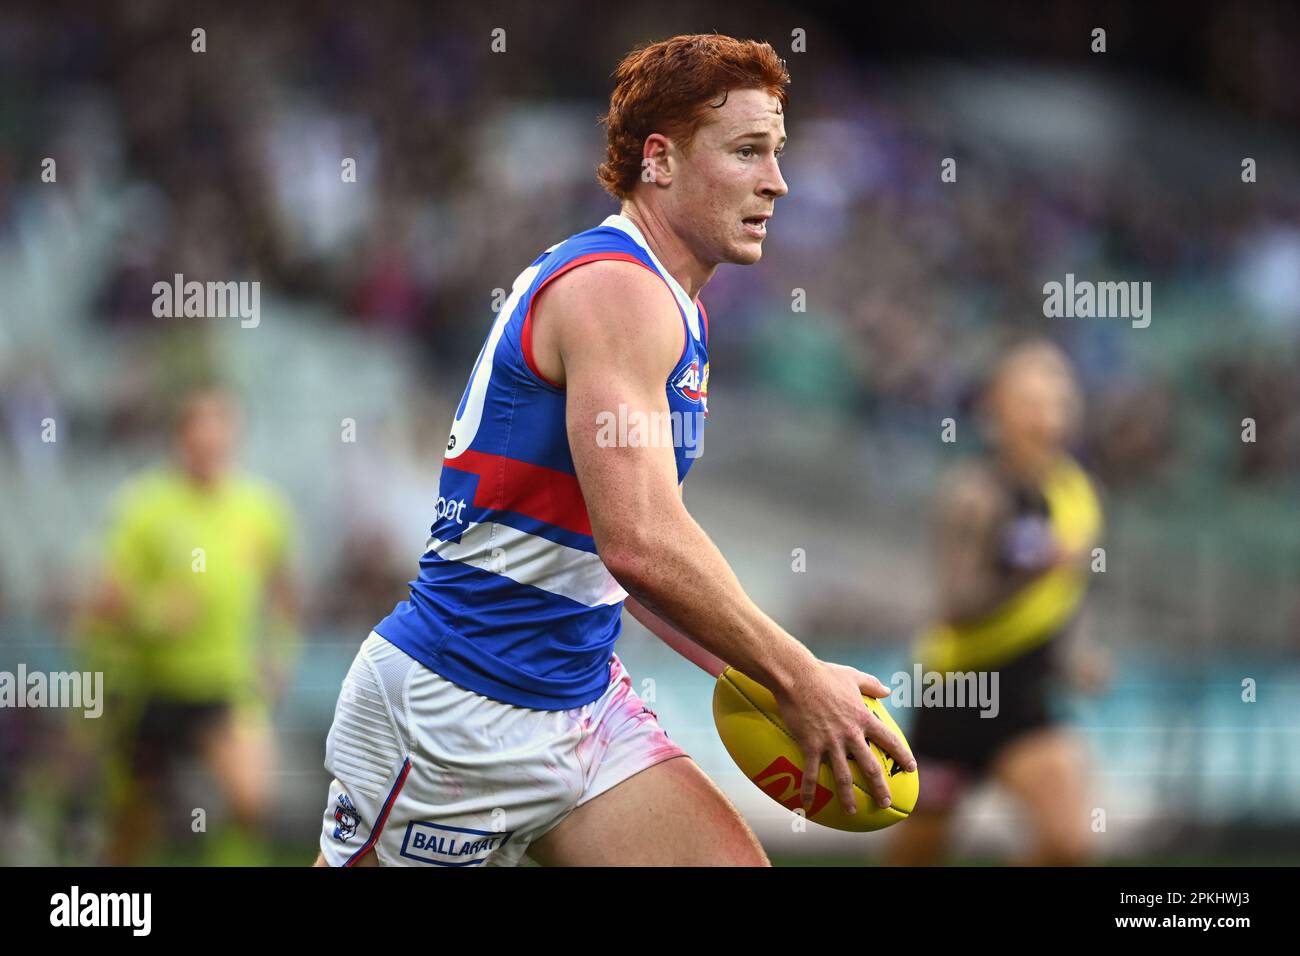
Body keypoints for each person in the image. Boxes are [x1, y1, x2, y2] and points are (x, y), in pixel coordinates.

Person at [315, 32, 914, 868]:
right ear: (659, 160)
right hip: (457, 707)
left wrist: (772, 677)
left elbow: (624, 565)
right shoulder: (619, 291)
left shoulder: (673, 305)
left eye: (777, 152)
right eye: (747, 151)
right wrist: (797, 675)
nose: (777, 181)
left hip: (581, 704)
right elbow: (639, 543)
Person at [890, 340, 1109, 866]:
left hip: (1025, 695)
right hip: (956, 693)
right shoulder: (976, 493)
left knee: (1068, 843)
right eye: (1030, 401)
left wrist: (1078, 654)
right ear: (997, 410)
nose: (1046, 415)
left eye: (1058, 400)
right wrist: (1034, 571)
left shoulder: (1077, 495)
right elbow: (957, 603)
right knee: (916, 856)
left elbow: (1070, 595)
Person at [82, 385, 299, 865]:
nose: (210, 439)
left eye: (220, 427)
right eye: (199, 428)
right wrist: (154, 613)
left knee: (251, 799)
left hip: (224, 684)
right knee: (134, 824)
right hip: (152, 685)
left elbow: (284, 594)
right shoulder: (144, 506)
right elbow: (103, 599)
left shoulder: (260, 509)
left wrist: (280, 655)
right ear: (179, 436)